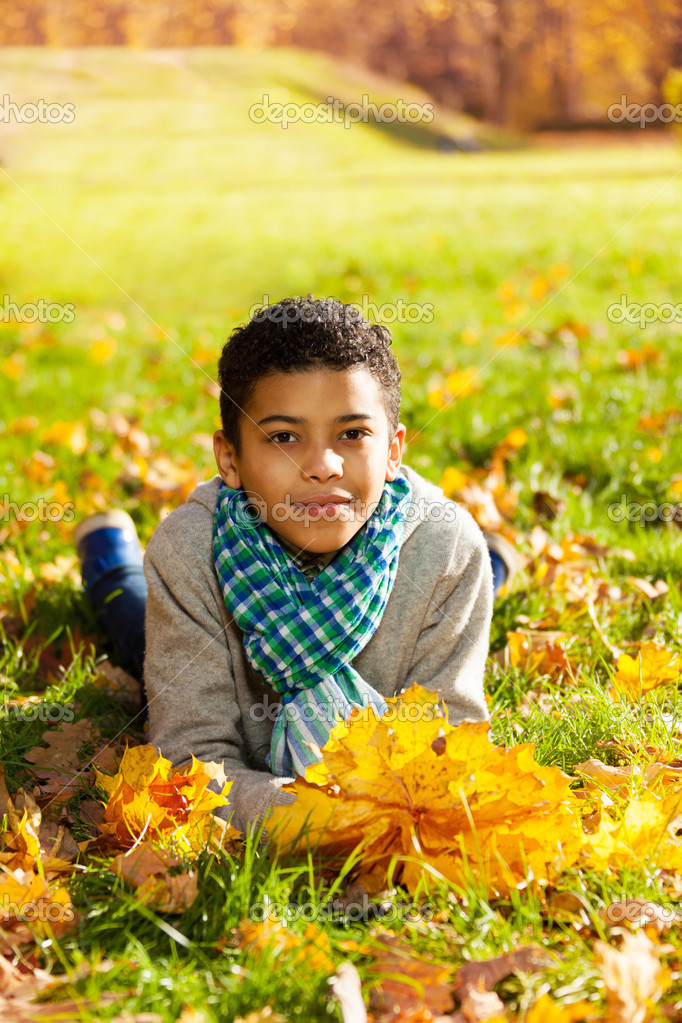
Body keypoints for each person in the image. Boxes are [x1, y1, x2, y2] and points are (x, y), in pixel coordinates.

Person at [74, 296, 523, 835]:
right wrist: (322, 820)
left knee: (470, 566)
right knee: (134, 630)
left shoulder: (447, 552)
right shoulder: (187, 555)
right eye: (283, 437)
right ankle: (108, 559)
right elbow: (189, 763)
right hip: (194, 617)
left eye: (352, 434)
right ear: (230, 458)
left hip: (441, 552)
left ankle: (492, 564)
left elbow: (450, 751)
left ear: (394, 450)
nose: (322, 467)